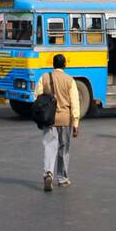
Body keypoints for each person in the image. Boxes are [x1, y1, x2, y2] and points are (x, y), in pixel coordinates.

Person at [34, 53, 80, 191]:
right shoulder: (70, 80)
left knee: (49, 146)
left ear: (53, 64)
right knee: (63, 149)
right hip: (65, 120)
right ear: (65, 65)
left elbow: (37, 96)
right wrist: (76, 122)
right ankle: (62, 178)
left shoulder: (45, 77)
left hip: (49, 119)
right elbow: (75, 102)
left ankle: (48, 172)